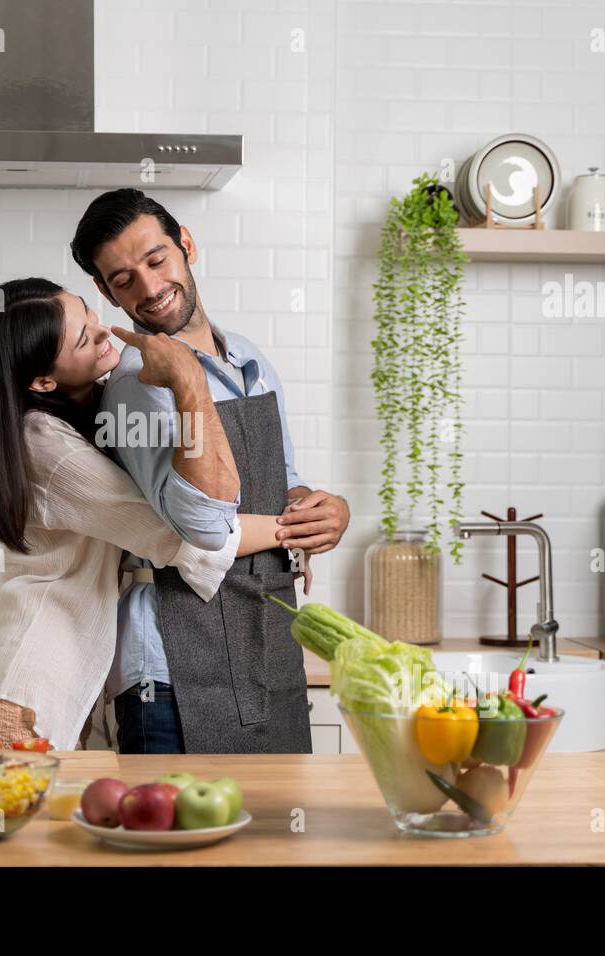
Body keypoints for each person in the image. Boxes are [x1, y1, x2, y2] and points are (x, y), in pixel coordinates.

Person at [0, 277, 296, 751]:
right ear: (42, 380)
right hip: (20, 691)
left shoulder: (96, 405)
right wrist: (294, 529)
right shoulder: (44, 446)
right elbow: (183, 536)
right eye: (85, 338)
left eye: (89, 314)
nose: (105, 332)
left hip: (60, 676)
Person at [70, 189, 352, 754]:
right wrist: (185, 379)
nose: (149, 289)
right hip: (175, 668)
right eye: (123, 280)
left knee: (274, 838)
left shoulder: (249, 358)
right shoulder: (135, 388)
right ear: (104, 291)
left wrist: (324, 510)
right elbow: (200, 524)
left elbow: (283, 481)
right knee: (181, 838)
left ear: (186, 245)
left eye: (156, 261)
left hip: (265, 642)